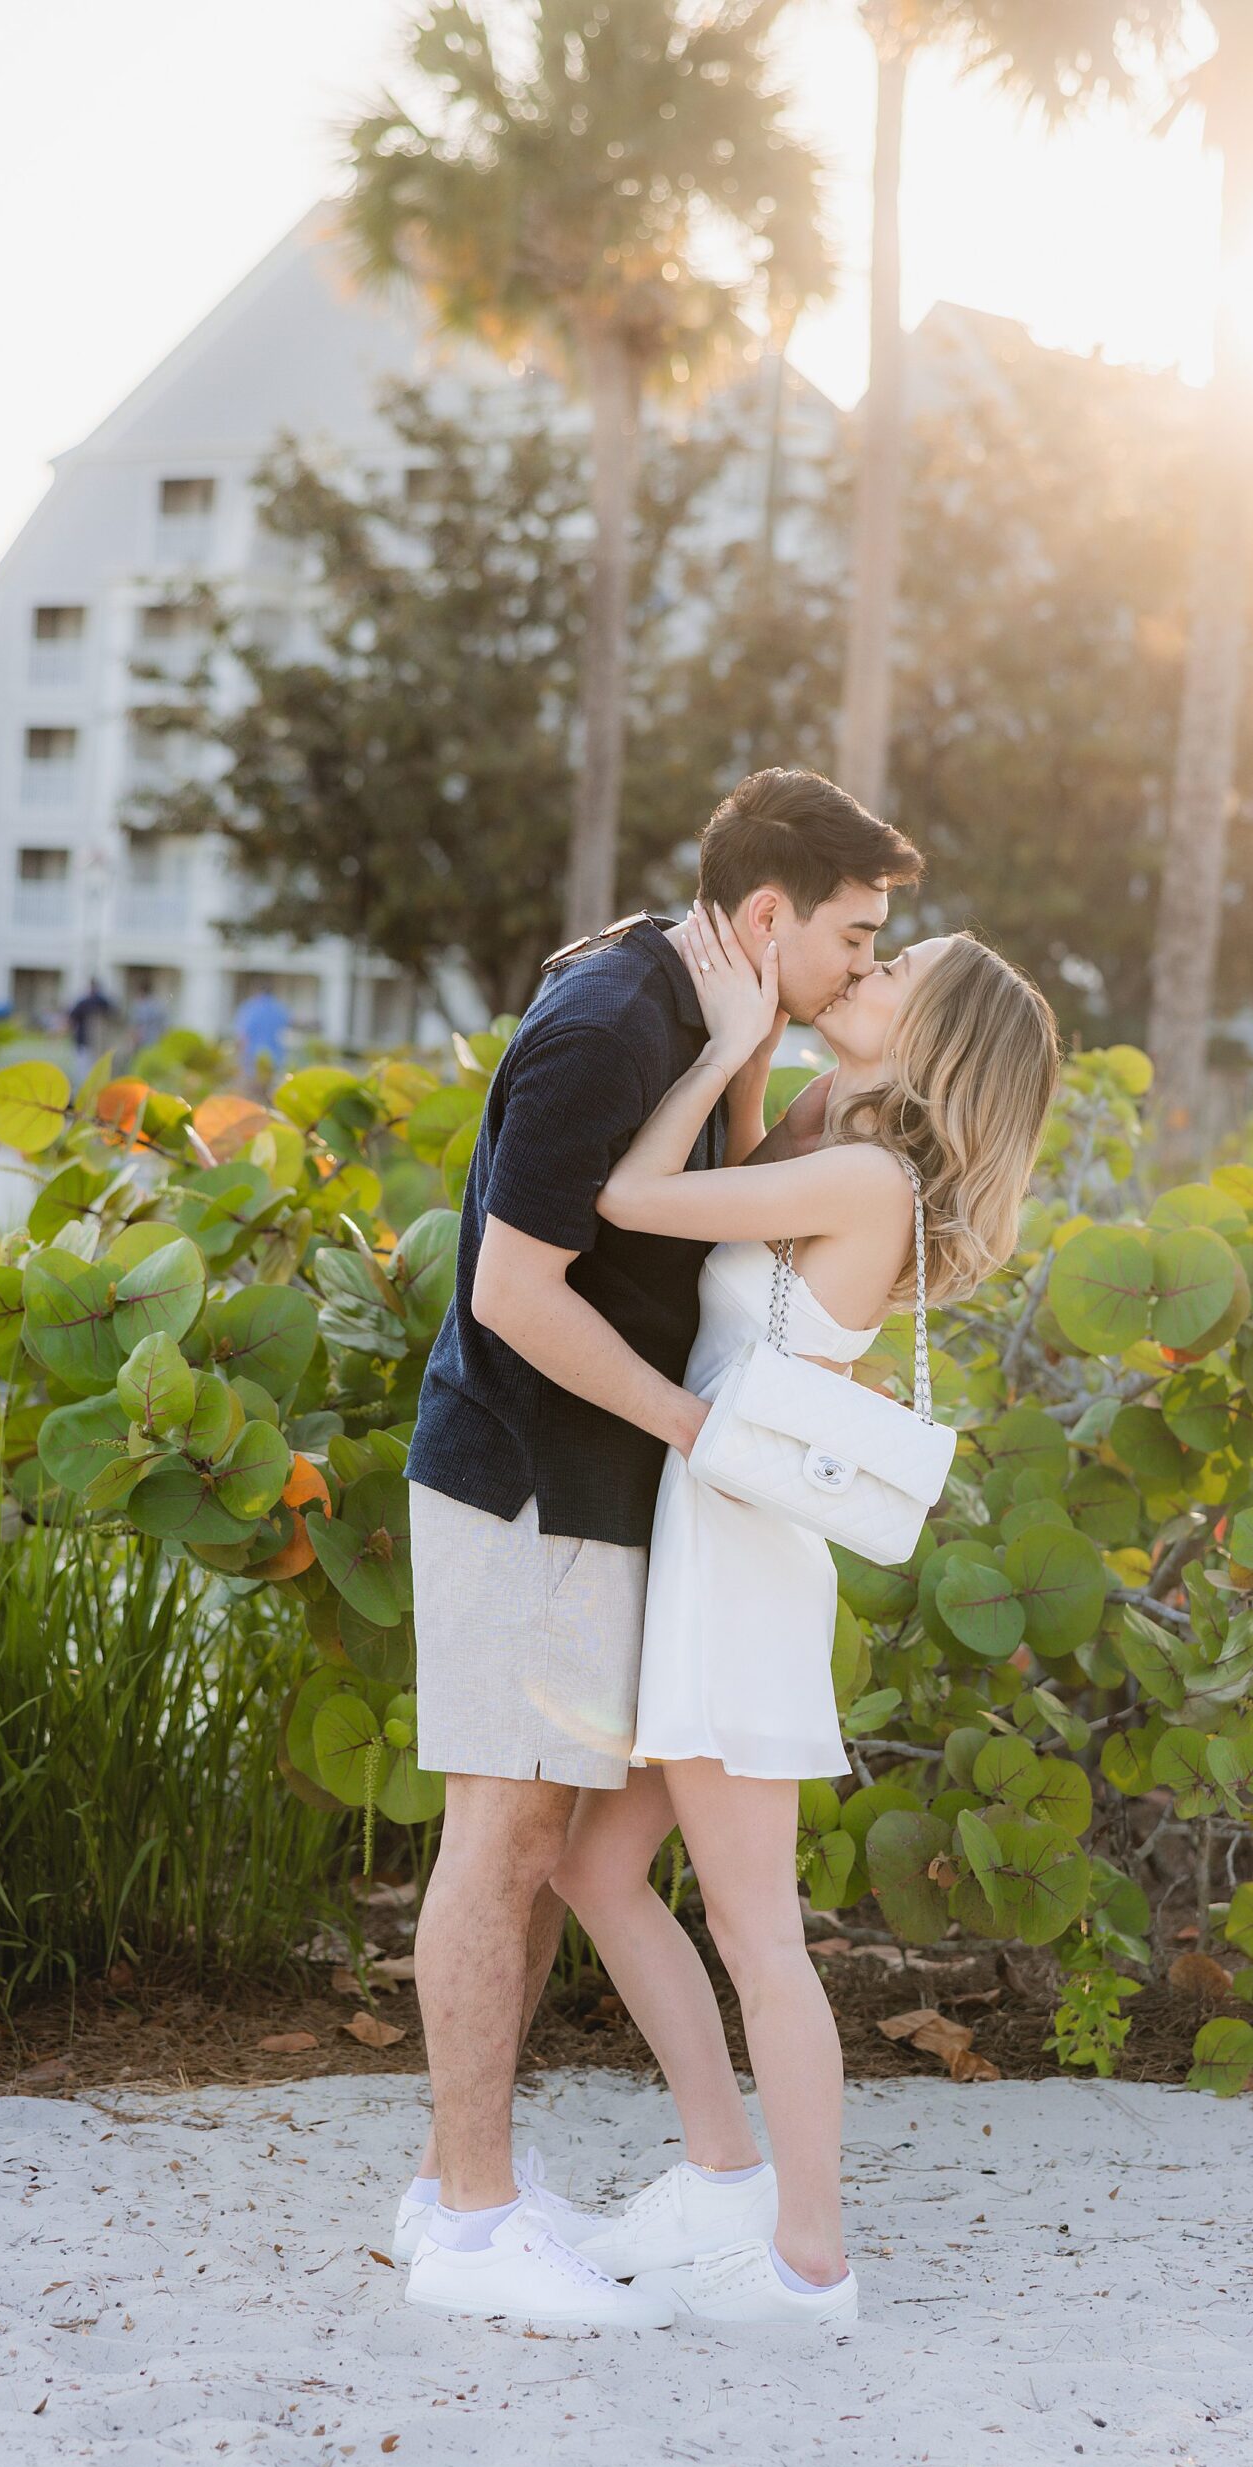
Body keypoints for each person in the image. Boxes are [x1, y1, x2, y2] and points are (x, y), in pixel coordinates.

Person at [396, 769, 923, 2332]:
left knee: (552, 1846)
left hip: (606, 1488)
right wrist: (700, 1437)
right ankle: (476, 2225)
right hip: (525, 1482)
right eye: (852, 936)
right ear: (767, 917)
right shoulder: (609, 1024)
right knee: (501, 1839)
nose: (860, 965)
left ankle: (463, 2186)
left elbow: (704, 1206)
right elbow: (515, 1294)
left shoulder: (695, 1011)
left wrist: (750, 1042)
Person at [548, 904, 1060, 2332]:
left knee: (756, 1927)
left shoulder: (866, 1183)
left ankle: (807, 2259)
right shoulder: (846, 1149)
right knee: (594, 1874)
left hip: (735, 1566)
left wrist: (720, 1044)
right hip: (717, 1544)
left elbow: (632, 1201)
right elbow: (725, 1206)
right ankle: (722, 2172)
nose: (866, 969)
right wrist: (764, 1051)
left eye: (894, 971)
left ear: (935, 1037)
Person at [234, 982, 292, 1089]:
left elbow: (243, 1034)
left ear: (257, 992)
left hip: (252, 1057)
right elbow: (287, 1028)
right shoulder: (279, 1008)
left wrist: (240, 1057)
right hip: (275, 1057)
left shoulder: (250, 1007)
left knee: (251, 1093)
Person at [66, 978, 117, 1070]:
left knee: (85, 1068)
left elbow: (71, 1019)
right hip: (87, 1041)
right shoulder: (97, 1001)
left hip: (91, 1041)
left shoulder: (90, 1002)